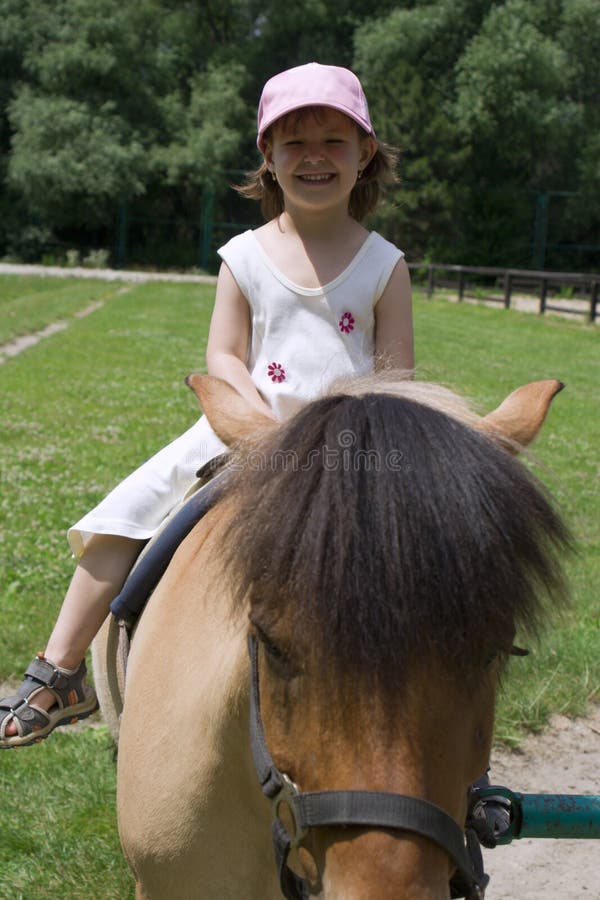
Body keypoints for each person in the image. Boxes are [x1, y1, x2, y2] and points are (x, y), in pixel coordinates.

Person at [0, 62, 414, 748]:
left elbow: (395, 372)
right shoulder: (244, 256)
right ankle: (62, 670)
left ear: (364, 153)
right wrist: (253, 421)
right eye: (294, 142)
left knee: (439, 544)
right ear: (269, 158)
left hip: (350, 442)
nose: (314, 157)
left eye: (334, 141)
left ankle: (436, 699)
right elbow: (223, 355)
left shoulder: (384, 264)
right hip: (244, 428)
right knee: (126, 515)